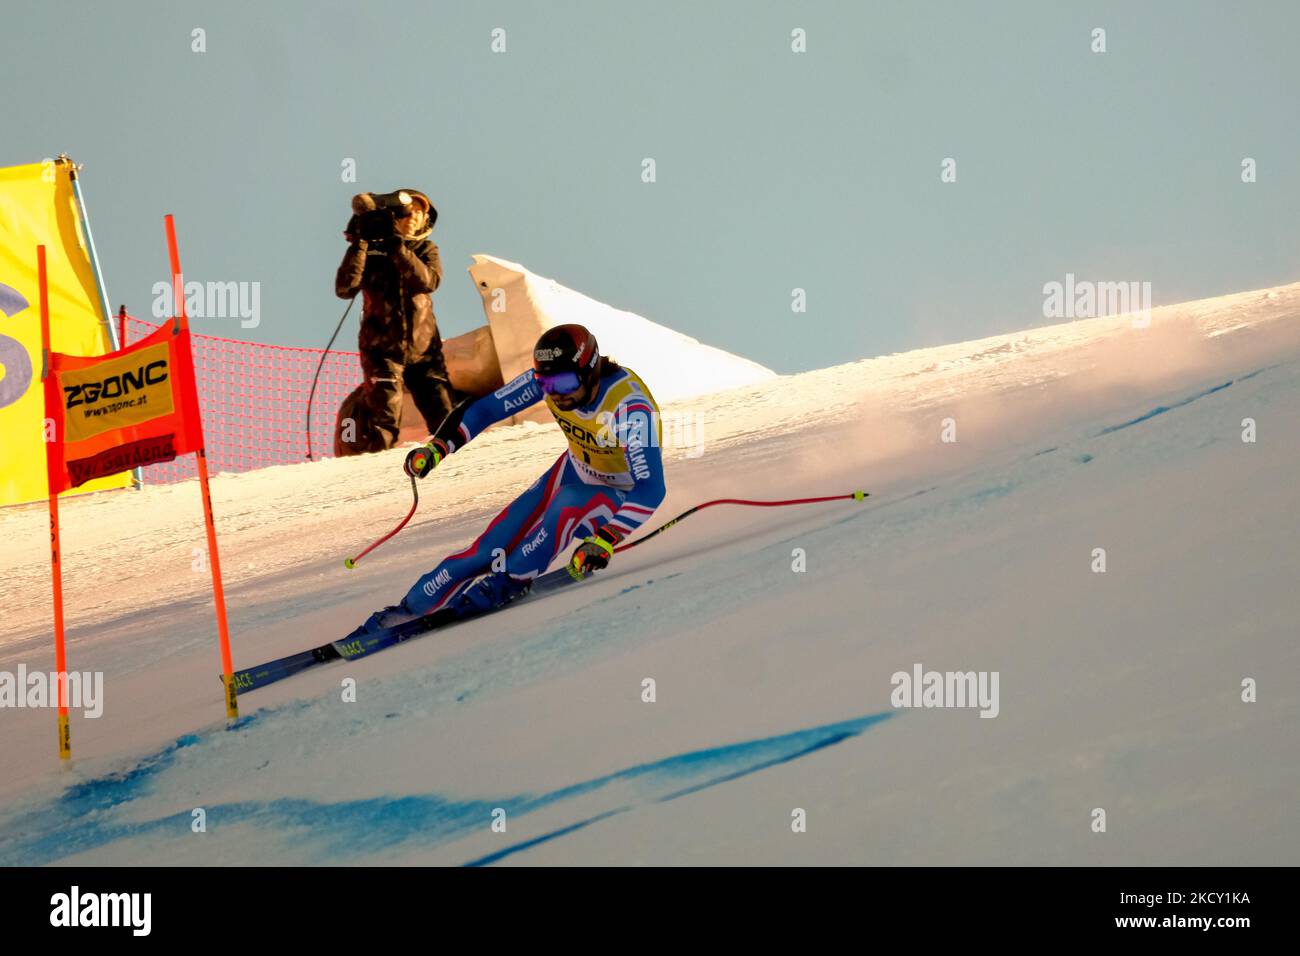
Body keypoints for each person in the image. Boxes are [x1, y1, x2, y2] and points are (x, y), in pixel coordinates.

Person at [363, 323, 667, 630]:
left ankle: (510, 579)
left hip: (621, 495)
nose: (555, 395)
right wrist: (438, 448)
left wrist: (606, 539)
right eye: (546, 385)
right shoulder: (551, 379)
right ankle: (406, 611)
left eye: (562, 384)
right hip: (575, 469)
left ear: (590, 372)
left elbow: (650, 489)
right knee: (487, 549)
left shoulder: (629, 408)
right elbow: (486, 409)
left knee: (568, 503)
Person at [334, 189, 455, 453]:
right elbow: (345, 288)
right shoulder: (372, 254)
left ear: (426, 219)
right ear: (393, 217)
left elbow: (428, 281)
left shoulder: (425, 249)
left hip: (425, 352)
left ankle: (458, 467)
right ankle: (381, 479)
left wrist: (397, 248)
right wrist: (360, 244)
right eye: (406, 212)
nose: (412, 216)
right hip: (382, 352)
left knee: (445, 417)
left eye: (419, 212)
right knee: (384, 422)